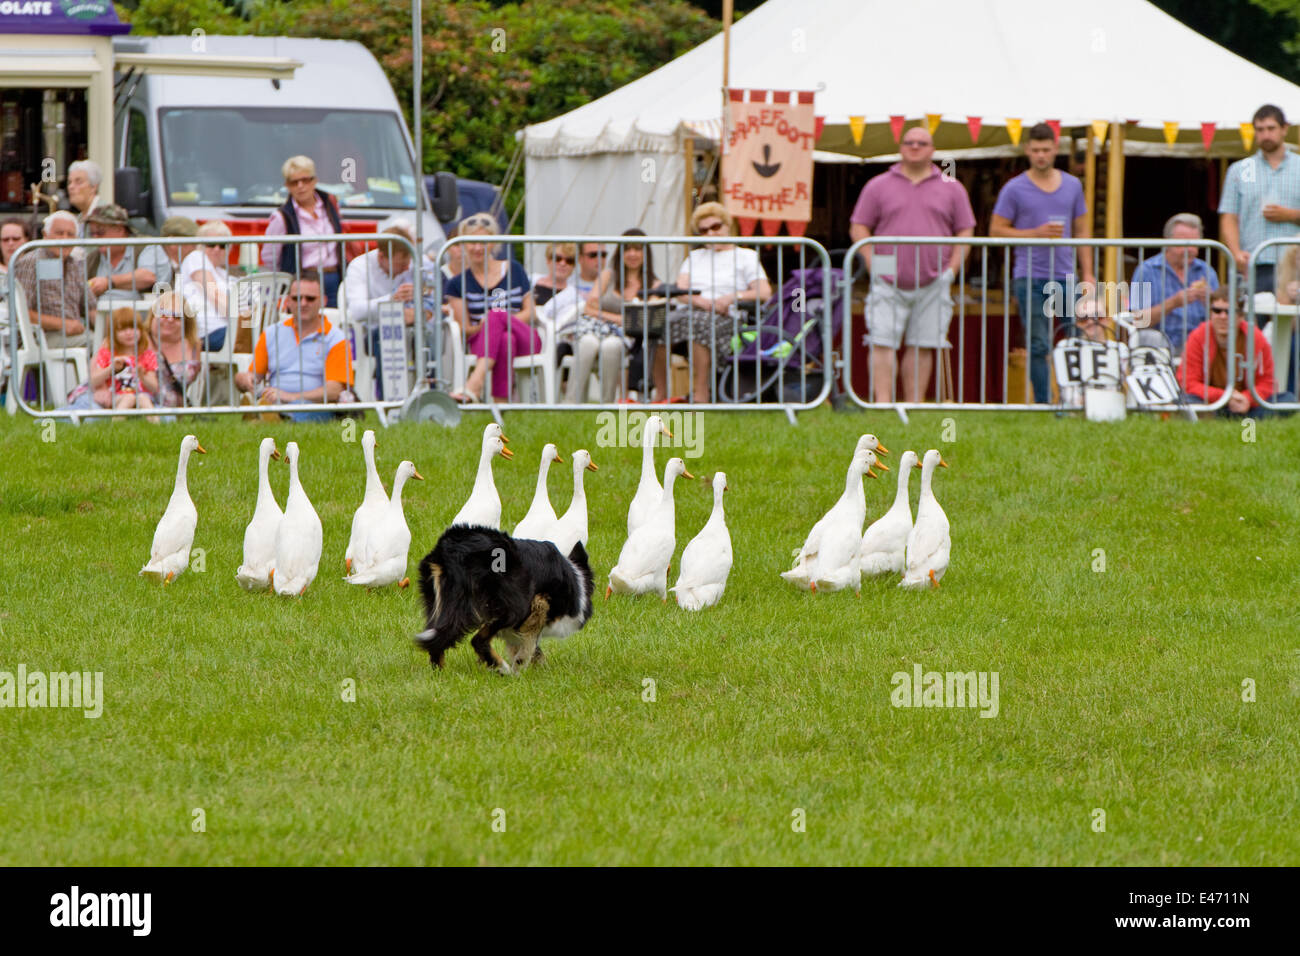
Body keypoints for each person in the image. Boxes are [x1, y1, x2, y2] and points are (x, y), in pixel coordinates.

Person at [849, 127, 975, 402]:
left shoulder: (952, 187)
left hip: (934, 279)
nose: (915, 147)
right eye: (909, 142)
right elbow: (859, 228)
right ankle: (883, 405)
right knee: (881, 341)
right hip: (886, 278)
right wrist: (873, 264)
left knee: (924, 345)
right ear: (900, 147)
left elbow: (965, 231)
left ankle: (913, 406)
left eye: (922, 143)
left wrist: (951, 271)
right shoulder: (878, 185)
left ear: (932, 149)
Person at [990, 122, 1096, 404]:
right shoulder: (1014, 188)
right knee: (1038, 344)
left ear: (1055, 149)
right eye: (1035, 150)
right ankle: (1043, 402)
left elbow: (1083, 230)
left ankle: (1074, 399)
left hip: (1065, 275)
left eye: (1046, 150)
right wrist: (1033, 233)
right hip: (1029, 275)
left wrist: (1088, 273)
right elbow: (996, 229)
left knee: (1074, 339)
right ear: (1027, 150)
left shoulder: (1073, 185)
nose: (1040, 155)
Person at [661, 202, 772, 402]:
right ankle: (660, 394)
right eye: (704, 231)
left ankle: (702, 392)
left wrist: (732, 297)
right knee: (656, 325)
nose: (711, 234)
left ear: (727, 226)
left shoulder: (746, 256)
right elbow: (680, 290)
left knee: (700, 324)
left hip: (729, 316)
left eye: (715, 227)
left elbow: (764, 292)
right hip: (693, 310)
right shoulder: (694, 257)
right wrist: (702, 302)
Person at [443, 212, 539, 403]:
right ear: (463, 245)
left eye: (484, 242)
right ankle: (500, 405)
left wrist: (499, 319)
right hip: (484, 342)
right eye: (472, 242)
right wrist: (486, 327)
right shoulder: (457, 283)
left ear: (494, 243)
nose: (478, 248)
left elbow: (531, 312)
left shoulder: (514, 269)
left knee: (497, 316)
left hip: (525, 339)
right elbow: (465, 329)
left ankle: (474, 385)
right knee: (505, 339)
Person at [235, 271, 355, 422]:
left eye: (310, 299)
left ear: (323, 301)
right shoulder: (272, 333)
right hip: (274, 400)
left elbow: (334, 390)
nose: (303, 303)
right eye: (297, 298)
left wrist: (290, 397)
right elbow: (254, 375)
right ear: (288, 302)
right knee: (263, 399)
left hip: (314, 405)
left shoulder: (336, 338)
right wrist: (243, 379)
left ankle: (265, 417)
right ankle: (266, 415)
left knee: (304, 409)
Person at [1218, 104, 1300, 296]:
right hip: (1255, 262)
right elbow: (1228, 217)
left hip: (1295, 263)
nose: (1266, 135)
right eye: (1260, 129)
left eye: (1271, 128)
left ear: (1284, 129)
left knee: (1294, 324)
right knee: (1255, 323)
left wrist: (1290, 214)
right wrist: (1236, 252)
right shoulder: (1238, 170)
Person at [571, 228, 657, 403]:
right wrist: (620, 319)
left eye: (637, 249)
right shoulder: (608, 275)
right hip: (595, 328)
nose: (632, 254)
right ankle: (571, 403)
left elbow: (645, 319)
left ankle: (607, 403)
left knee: (611, 346)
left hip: (628, 337)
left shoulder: (654, 284)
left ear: (645, 252)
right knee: (587, 343)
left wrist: (605, 315)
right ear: (620, 253)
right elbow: (589, 308)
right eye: (627, 249)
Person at [1179, 288, 1293, 416]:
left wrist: (1247, 399)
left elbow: (1268, 383)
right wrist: (1225, 397)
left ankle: (1232, 417)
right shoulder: (1198, 336)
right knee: (1186, 401)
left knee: (1288, 400)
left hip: (1247, 405)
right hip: (1211, 403)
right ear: (1210, 313)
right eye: (1217, 311)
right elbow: (1188, 382)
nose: (1223, 316)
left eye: (1229, 312)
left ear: (1240, 316)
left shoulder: (1255, 338)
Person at [1127, 213, 1218, 357]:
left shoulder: (1207, 272)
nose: (1190, 250)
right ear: (1167, 243)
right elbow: (1138, 320)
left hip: (1199, 347)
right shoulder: (1147, 270)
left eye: (1195, 244)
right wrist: (1173, 303)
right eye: (1183, 244)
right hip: (1158, 347)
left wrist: (1211, 302)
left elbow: (1222, 320)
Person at [259, 155, 345, 306]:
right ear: (287, 185)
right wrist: (288, 280)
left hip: (335, 278)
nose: (300, 186)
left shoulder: (330, 203)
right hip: (303, 283)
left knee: (335, 325)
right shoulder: (281, 217)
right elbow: (269, 256)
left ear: (315, 181)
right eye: (294, 182)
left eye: (305, 180)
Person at [64, 306, 159, 421]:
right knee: (128, 398)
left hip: (143, 395)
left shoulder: (147, 355)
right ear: (113, 333)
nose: (129, 333)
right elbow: (93, 380)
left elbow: (154, 387)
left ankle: (156, 427)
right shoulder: (107, 353)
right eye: (122, 329)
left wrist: (142, 375)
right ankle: (116, 423)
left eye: (133, 328)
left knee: (143, 398)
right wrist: (110, 369)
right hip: (116, 396)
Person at [12, 211, 89, 348]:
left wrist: (114, 329)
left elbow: (91, 308)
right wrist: (63, 323)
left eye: (70, 234)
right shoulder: (31, 261)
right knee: (96, 344)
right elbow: (20, 312)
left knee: (112, 342)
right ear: (45, 235)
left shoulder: (75, 264)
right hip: (38, 338)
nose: (64, 239)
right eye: (59, 233)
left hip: (72, 336)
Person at [85, 204, 171, 302]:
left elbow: (148, 277)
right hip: (101, 316)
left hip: (143, 315)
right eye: (92, 234)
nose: (95, 238)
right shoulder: (92, 258)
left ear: (120, 230)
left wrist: (108, 282)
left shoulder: (146, 245)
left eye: (100, 233)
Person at [175, 221, 238, 351]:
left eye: (222, 245)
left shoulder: (222, 273)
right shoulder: (196, 258)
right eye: (211, 244)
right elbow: (213, 294)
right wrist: (240, 317)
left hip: (226, 329)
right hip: (206, 332)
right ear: (201, 245)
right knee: (258, 337)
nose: (216, 249)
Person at [148, 291, 205, 409]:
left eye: (177, 316)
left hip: (175, 411)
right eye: (164, 314)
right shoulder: (138, 340)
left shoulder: (194, 345)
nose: (170, 319)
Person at [66, 160, 107, 237]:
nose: (71, 187)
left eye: (78, 182)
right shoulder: (78, 219)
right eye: (69, 182)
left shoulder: (105, 215)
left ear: (94, 187)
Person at [0, 216, 31, 302]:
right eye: (5, 239)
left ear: (26, 240)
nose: (10, 243)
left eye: (16, 239)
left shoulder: (35, 268)